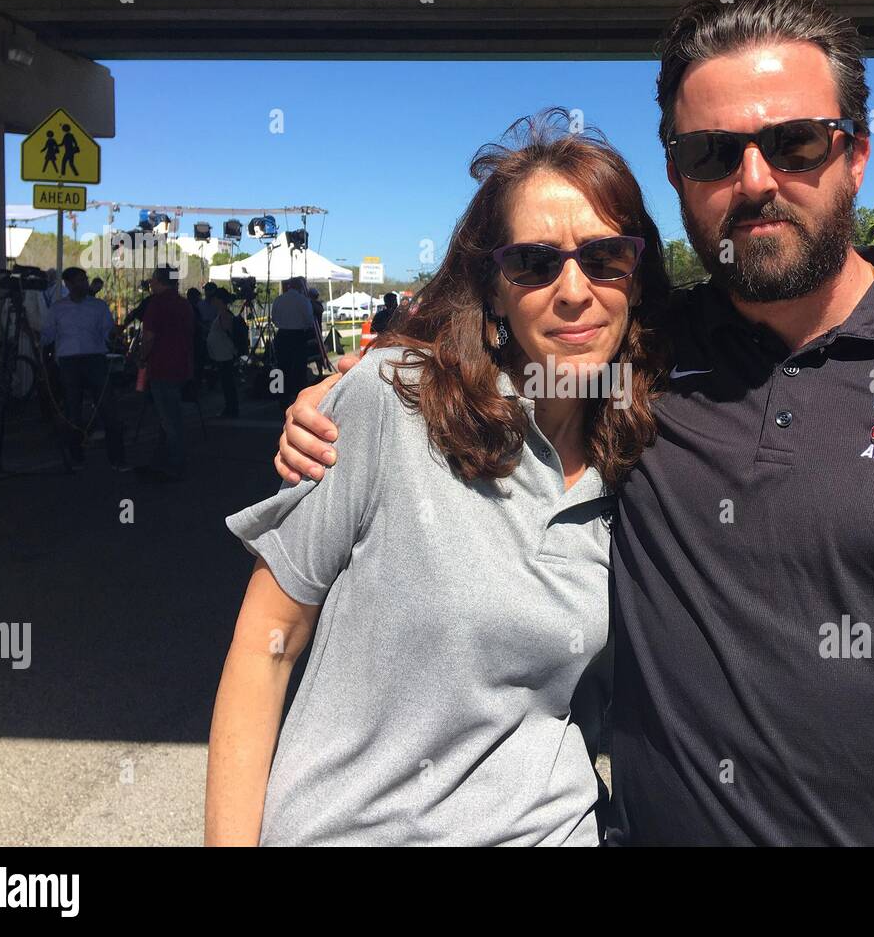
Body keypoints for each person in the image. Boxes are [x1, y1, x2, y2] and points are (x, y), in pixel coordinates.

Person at [276, 0, 874, 847]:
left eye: (795, 143)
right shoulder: (638, 364)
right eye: (713, 153)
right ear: (676, 176)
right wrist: (350, 388)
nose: (754, 180)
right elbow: (492, 359)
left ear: (857, 153)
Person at [207, 111, 670, 846]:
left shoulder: (652, 457)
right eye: (535, 263)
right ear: (493, 290)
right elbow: (267, 642)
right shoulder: (390, 403)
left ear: (637, 280)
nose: (574, 290)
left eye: (605, 257)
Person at [40, 266, 127, 470]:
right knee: (73, 411)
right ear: (68, 284)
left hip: (95, 359)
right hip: (68, 362)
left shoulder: (98, 306)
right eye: (79, 280)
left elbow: (107, 330)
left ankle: (117, 458)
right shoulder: (58, 308)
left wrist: (114, 335)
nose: (84, 283)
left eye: (85, 279)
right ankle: (76, 457)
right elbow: (48, 335)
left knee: (108, 408)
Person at [137, 266, 193, 481]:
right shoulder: (183, 304)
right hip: (181, 366)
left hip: (161, 366)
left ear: (159, 281)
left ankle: (173, 464)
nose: (150, 283)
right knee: (169, 417)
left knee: (169, 419)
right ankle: (161, 461)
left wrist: (142, 357)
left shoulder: (157, 304)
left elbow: (149, 337)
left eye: (152, 279)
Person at [269, 277, 315, 409]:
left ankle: (282, 399)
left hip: (282, 335)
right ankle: (299, 398)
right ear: (301, 287)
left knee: (282, 368)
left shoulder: (279, 299)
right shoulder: (303, 301)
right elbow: (309, 320)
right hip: (298, 336)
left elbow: (274, 319)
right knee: (299, 368)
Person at [207, 288, 240, 418]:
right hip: (222, 353)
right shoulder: (221, 314)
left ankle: (231, 407)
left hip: (225, 353)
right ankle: (230, 406)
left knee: (228, 382)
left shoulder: (225, 315)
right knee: (226, 382)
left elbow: (228, 331)